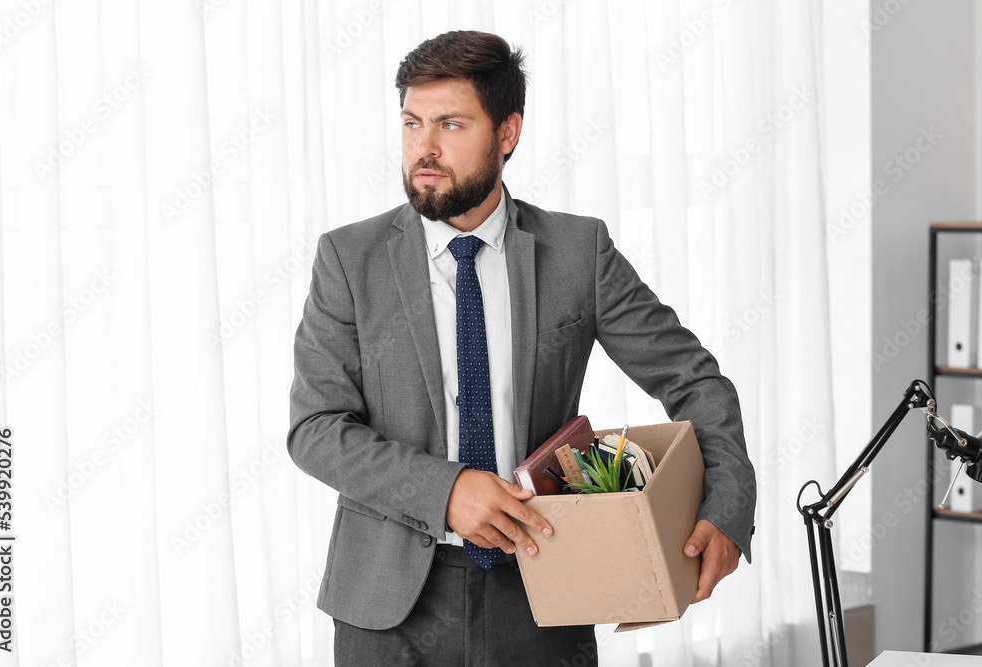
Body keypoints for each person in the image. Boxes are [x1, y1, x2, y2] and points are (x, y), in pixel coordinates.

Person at [288, 29, 756, 666]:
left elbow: (695, 380)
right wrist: (447, 490)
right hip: (387, 609)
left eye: (450, 124)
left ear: (507, 133)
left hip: (545, 594)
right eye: (411, 122)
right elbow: (315, 428)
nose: (423, 148)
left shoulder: (577, 254)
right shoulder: (348, 259)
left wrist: (727, 508)